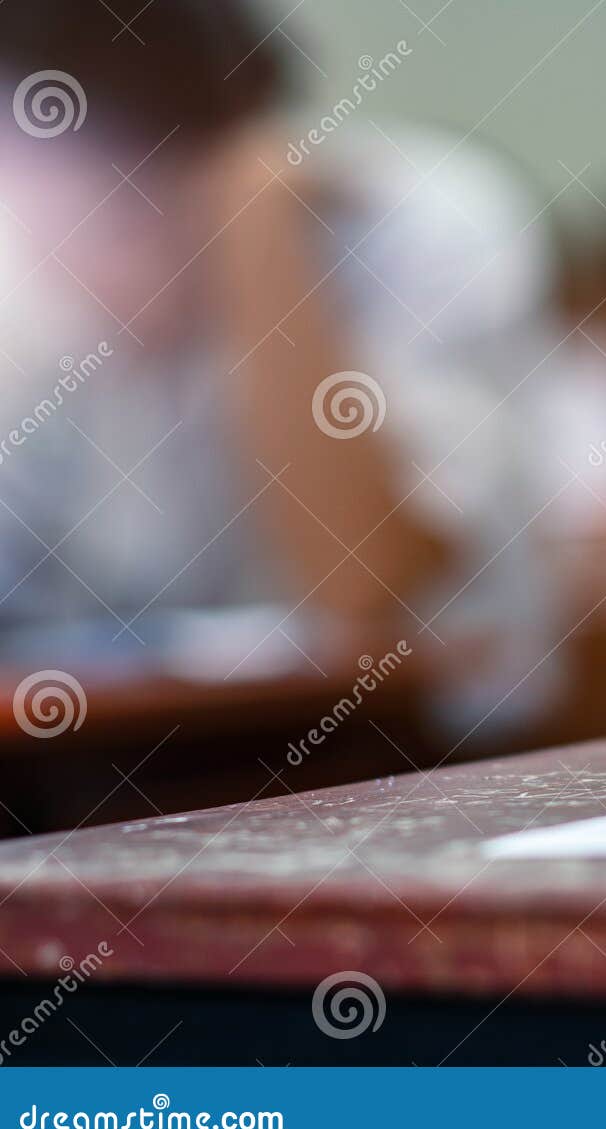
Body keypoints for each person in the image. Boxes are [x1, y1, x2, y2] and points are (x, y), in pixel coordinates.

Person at [0, 0, 561, 734]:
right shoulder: (57, 304)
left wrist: (258, 229)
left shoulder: (422, 224)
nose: (57, 258)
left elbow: (360, 585)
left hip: (424, 761)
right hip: (151, 766)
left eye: (97, 213)